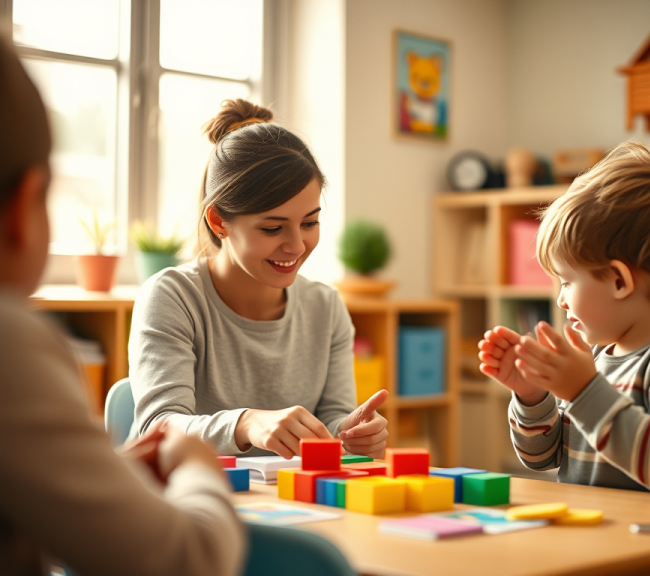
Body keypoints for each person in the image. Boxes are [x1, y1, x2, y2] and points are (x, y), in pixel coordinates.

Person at [0, 35, 244, 575]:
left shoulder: (322, 304)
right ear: (25, 207)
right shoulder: (11, 344)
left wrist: (105, 475)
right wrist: (199, 466)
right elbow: (191, 560)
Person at [129, 98, 388, 459]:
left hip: (289, 509)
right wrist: (246, 423)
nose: (297, 245)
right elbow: (158, 428)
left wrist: (349, 434)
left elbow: (331, 422)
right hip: (191, 501)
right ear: (218, 222)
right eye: (272, 227)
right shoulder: (172, 298)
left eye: (310, 222)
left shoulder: (325, 308)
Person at [478, 141, 650, 498]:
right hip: (600, 540)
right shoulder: (596, 357)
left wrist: (583, 392)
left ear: (619, 281)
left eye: (567, 281)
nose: (561, 299)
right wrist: (532, 396)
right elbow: (542, 459)